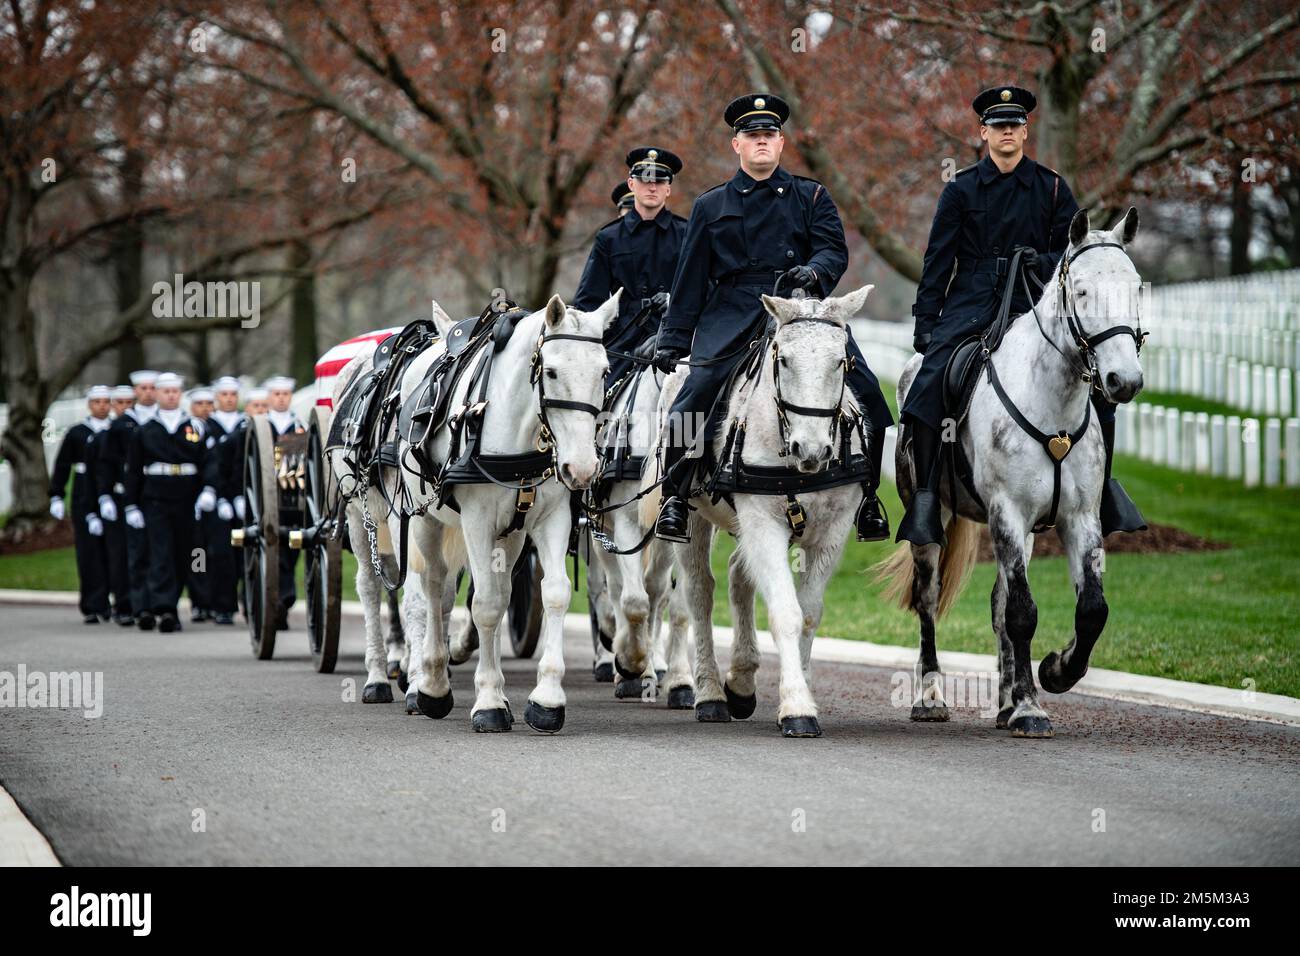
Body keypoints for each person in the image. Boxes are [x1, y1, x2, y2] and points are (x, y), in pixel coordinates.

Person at [898, 85, 1145, 546]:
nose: (1006, 131)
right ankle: (927, 501)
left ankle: (1105, 490)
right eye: (998, 125)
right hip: (971, 302)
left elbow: (1075, 252)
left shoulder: (1051, 187)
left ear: (1026, 131)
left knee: (1099, 384)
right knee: (928, 385)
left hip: (1035, 302)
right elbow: (937, 261)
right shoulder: (960, 189)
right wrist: (926, 324)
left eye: (1014, 124)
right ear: (984, 132)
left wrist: (1044, 260)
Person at [651, 93, 893, 543]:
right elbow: (690, 279)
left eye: (768, 135)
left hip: (800, 309)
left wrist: (816, 271)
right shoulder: (710, 205)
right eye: (751, 135)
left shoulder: (811, 195)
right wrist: (674, 338)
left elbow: (833, 249)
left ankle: (869, 497)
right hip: (731, 313)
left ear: (781, 143)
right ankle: (676, 497)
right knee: (693, 398)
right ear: (736, 145)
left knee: (871, 399)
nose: (760, 142)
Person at [574, 147, 689, 388]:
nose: (652, 187)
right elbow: (588, 303)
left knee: (699, 409)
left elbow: (703, 288)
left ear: (668, 188)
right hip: (622, 343)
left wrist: (672, 300)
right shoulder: (609, 238)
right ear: (631, 184)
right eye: (645, 180)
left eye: (659, 181)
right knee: (596, 407)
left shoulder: (687, 234)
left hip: (673, 340)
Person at [124, 372, 209, 633]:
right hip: (156, 497)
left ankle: (168, 602)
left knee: (185, 554)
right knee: (160, 553)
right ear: (158, 395)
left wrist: (208, 490)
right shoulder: (146, 429)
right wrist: (131, 504)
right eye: (166, 391)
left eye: (175, 391)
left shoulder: (193, 427)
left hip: (186, 496)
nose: (171, 395)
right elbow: (134, 469)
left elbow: (207, 462)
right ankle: (164, 608)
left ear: (180, 394)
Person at [96, 369, 159, 627]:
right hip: (126, 495)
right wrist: (104, 496)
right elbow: (106, 464)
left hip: (157, 495)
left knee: (161, 554)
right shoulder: (120, 425)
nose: (147, 392)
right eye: (142, 388)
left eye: (151, 387)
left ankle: (157, 603)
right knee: (130, 554)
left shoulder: (164, 423)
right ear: (135, 391)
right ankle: (129, 604)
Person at [48, 386, 113, 624]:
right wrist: (56, 494)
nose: (102, 406)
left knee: (112, 552)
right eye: (97, 402)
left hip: (111, 493)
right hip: (84, 493)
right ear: (89, 405)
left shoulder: (116, 430)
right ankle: (93, 604)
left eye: (107, 402)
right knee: (89, 553)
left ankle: (115, 601)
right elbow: (63, 465)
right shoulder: (77, 433)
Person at [202, 376, 244, 625]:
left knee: (242, 554)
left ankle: (244, 601)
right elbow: (209, 463)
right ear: (217, 398)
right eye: (224, 395)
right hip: (215, 500)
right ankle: (219, 604)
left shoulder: (245, 424)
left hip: (240, 498)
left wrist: (239, 495)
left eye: (233, 395)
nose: (229, 399)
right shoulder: (206, 426)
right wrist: (216, 496)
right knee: (217, 554)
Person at [265, 376, 304, 630]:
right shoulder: (260, 425)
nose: (281, 398)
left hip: (292, 497)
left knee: (290, 553)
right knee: (275, 552)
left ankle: (284, 600)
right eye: (277, 394)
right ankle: (278, 600)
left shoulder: (298, 426)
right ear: (270, 397)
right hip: (268, 500)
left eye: (285, 394)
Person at [185, 387, 218, 622]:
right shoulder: (187, 429)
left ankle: (217, 601)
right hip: (190, 500)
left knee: (218, 554)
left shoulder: (215, 429)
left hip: (217, 499)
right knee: (198, 554)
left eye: (208, 403)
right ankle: (200, 600)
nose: (205, 408)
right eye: (200, 404)